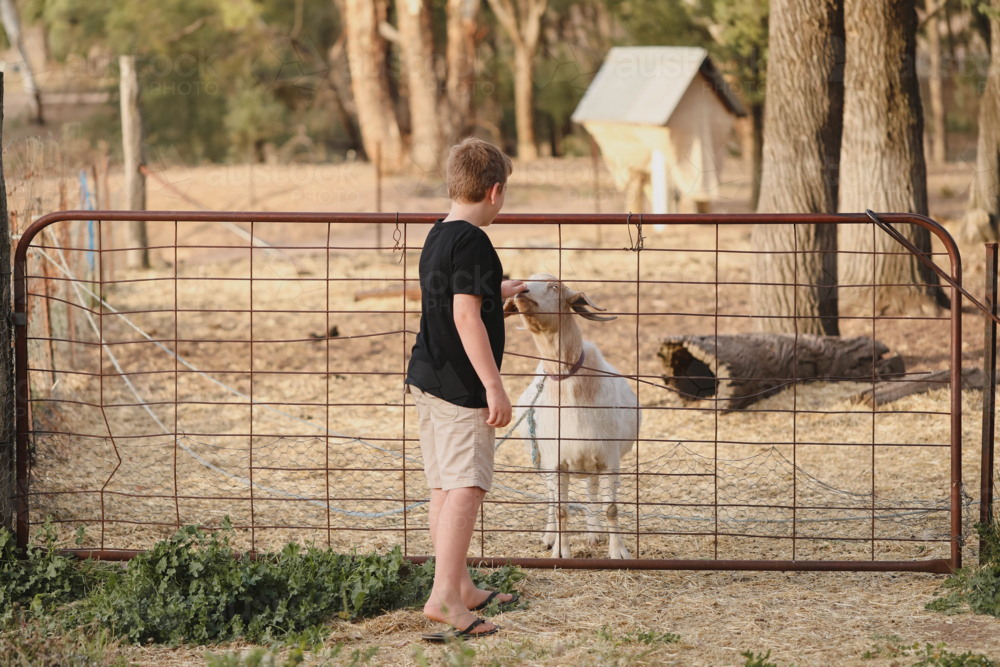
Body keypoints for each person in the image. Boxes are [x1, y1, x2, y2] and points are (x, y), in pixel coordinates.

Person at [405, 138, 527, 641]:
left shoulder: (440, 232)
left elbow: (453, 290)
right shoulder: (477, 240)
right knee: (467, 488)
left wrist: (497, 289)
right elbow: (464, 314)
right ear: (495, 191)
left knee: (443, 486)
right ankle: (444, 599)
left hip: (427, 376)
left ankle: (461, 585)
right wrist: (493, 388)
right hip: (461, 388)